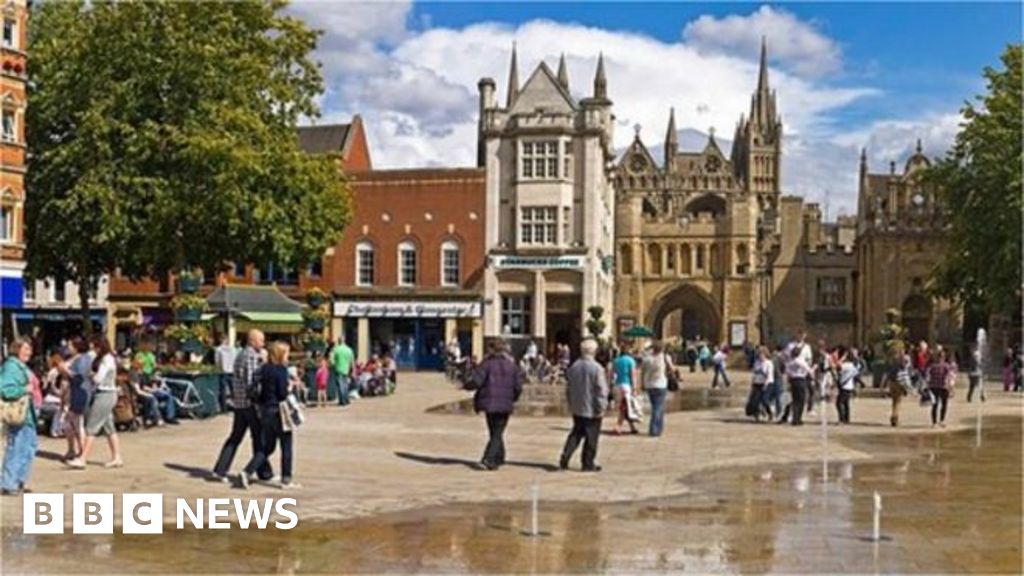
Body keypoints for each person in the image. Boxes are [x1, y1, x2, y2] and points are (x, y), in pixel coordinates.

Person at [212, 330, 273, 482]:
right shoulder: (251, 355)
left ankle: (220, 470)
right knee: (259, 437)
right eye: (261, 340)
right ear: (252, 341)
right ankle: (263, 473)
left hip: (239, 403)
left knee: (236, 437)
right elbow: (252, 381)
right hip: (249, 403)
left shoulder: (241, 354)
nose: (263, 343)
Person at [240, 342, 298, 489]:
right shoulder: (281, 370)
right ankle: (286, 479)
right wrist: (290, 387)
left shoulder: (263, 369)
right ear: (280, 355)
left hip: (265, 411)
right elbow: (282, 394)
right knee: (286, 445)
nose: (288, 356)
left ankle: (248, 471)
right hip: (279, 411)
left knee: (268, 446)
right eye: (286, 354)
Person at [67, 336, 123, 469]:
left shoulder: (106, 360)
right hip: (108, 394)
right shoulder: (109, 358)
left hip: (104, 394)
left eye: (95, 347)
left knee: (91, 427)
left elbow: (98, 379)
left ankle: (83, 458)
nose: (94, 350)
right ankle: (117, 457)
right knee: (109, 427)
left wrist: (91, 375)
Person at [472, 339, 523, 471]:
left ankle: (489, 458)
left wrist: (466, 385)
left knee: (495, 432)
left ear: (491, 350)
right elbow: (518, 386)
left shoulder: (486, 364)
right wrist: (513, 398)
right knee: (497, 432)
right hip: (505, 404)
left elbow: (477, 381)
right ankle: (498, 457)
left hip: (489, 403)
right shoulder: (512, 366)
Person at [559, 339, 608, 472]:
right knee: (591, 437)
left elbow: (569, 388)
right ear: (594, 351)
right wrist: (602, 406)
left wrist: (571, 403)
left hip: (577, 406)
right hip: (592, 407)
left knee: (576, 433)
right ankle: (587, 462)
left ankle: (565, 456)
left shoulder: (574, 367)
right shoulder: (597, 368)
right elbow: (601, 390)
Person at [1, 338, 39, 495]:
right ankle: (8, 484)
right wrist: (24, 389)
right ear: (16, 349)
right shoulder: (11, 367)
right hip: (19, 413)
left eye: (30, 349)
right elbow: (4, 389)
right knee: (17, 447)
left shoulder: (20, 366)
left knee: (28, 448)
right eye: (25, 349)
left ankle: (18, 481)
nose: (29, 353)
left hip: (27, 414)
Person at [63, 337, 92, 462]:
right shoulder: (76, 358)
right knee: (71, 422)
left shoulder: (83, 359)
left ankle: (81, 451)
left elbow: (79, 376)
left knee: (77, 422)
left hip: (81, 392)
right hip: (75, 391)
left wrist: (65, 370)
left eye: (70, 345)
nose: (68, 348)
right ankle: (72, 449)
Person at [640, 341, 673, 437]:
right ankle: (654, 429)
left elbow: (642, 372)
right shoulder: (665, 357)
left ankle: (659, 428)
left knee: (657, 406)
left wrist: (642, 384)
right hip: (661, 384)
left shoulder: (647, 359)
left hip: (649, 385)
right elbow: (672, 369)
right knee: (658, 407)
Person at [784, 337, 814, 426]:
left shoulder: (790, 362)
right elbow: (809, 370)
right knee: (801, 400)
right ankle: (798, 419)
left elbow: (787, 372)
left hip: (793, 380)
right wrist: (812, 373)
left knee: (795, 400)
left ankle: (795, 418)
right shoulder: (801, 361)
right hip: (801, 379)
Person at [610, 346, 640, 435]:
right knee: (624, 407)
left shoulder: (616, 361)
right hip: (626, 385)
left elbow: (611, 374)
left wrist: (610, 385)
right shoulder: (631, 361)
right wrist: (635, 388)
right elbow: (633, 375)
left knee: (625, 406)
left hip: (617, 385)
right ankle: (618, 426)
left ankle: (632, 427)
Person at [927, 349, 955, 428]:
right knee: (944, 405)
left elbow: (927, 377)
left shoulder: (932, 366)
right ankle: (942, 421)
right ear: (944, 357)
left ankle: (934, 422)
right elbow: (950, 377)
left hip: (934, 387)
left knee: (935, 405)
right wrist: (951, 387)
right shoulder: (946, 366)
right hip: (943, 387)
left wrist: (928, 386)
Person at [747, 346, 774, 422]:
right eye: (759, 354)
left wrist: (765, 385)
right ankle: (757, 415)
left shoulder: (769, 363)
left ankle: (770, 413)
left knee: (764, 400)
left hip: (767, 383)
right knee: (755, 400)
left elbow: (769, 375)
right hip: (757, 383)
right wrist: (752, 383)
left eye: (762, 354)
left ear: (765, 354)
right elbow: (754, 374)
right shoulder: (756, 363)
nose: (760, 356)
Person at [214, 336, 239, 413]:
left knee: (223, 391)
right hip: (232, 371)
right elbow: (236, 360)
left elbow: (217, 361)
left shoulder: (218, 349)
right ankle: (237, 407)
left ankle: (224, 409)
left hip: (223, 372)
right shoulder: (233, 349)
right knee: (234, 390)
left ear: (221, 340)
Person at [834, 346, 858, 424]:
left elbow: (837, 365)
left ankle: (842, 419)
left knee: (839, 403)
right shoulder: (853, 366)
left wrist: (842, 358)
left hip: (844, 386)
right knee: (846, 403)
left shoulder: (846, 365)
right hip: (849, 386)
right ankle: (847, 419)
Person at [330, 337, 355, 406]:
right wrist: (353, 370)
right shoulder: (349, 349)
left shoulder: (335, 349)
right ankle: (346, 399)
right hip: (346, 369)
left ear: (338, 341)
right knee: (345, 385)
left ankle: (342, 400)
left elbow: (331, 360)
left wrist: (334, 365)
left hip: (338, 369)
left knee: (340, 385)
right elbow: (352, 361)